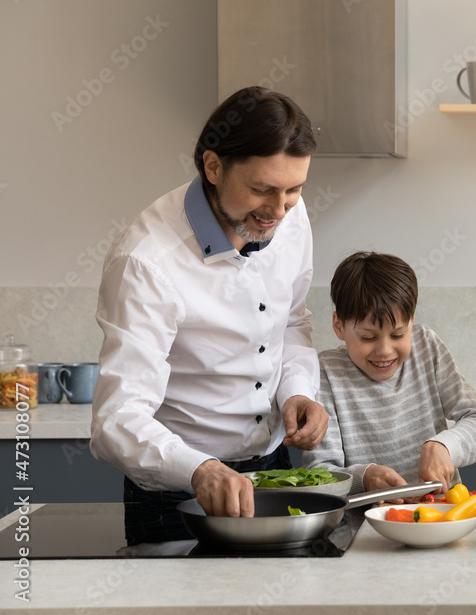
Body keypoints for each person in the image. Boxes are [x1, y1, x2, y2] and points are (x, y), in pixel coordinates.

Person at [91, 86, 329, 544]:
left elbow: (293, 323)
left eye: (294, 190)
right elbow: (115, 420)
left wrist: (297, 392)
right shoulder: (147, 261)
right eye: (261, 189)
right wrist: (200, 469)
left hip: (274, 473)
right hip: (177, 492)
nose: (278, 210)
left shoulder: (288, 219)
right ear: (213, 167)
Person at [303, 251, 476, 495]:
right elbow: (318, 475)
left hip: (439, 520)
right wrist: (363, 478)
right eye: (368, 337)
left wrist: (445, 445)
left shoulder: (426, 346)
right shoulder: (325, 372)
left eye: (398, 335)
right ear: (339, 326)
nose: (385, 351)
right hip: (363, 529)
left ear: (411, 322)